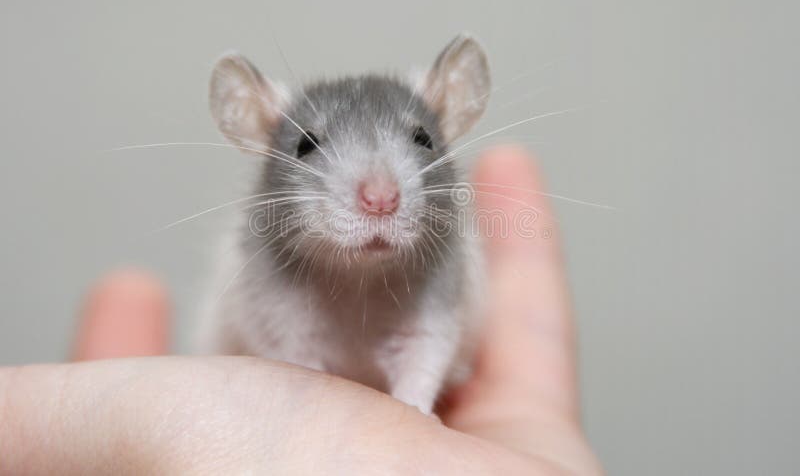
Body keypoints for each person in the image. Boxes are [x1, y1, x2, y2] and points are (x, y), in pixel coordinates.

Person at [0, 146, 602, 474]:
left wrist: (414, 406)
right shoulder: (259, 257)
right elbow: (255, 326)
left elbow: (439, 331)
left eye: (417, 140)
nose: (379, 195)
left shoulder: (447, 257)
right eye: (312, 146)